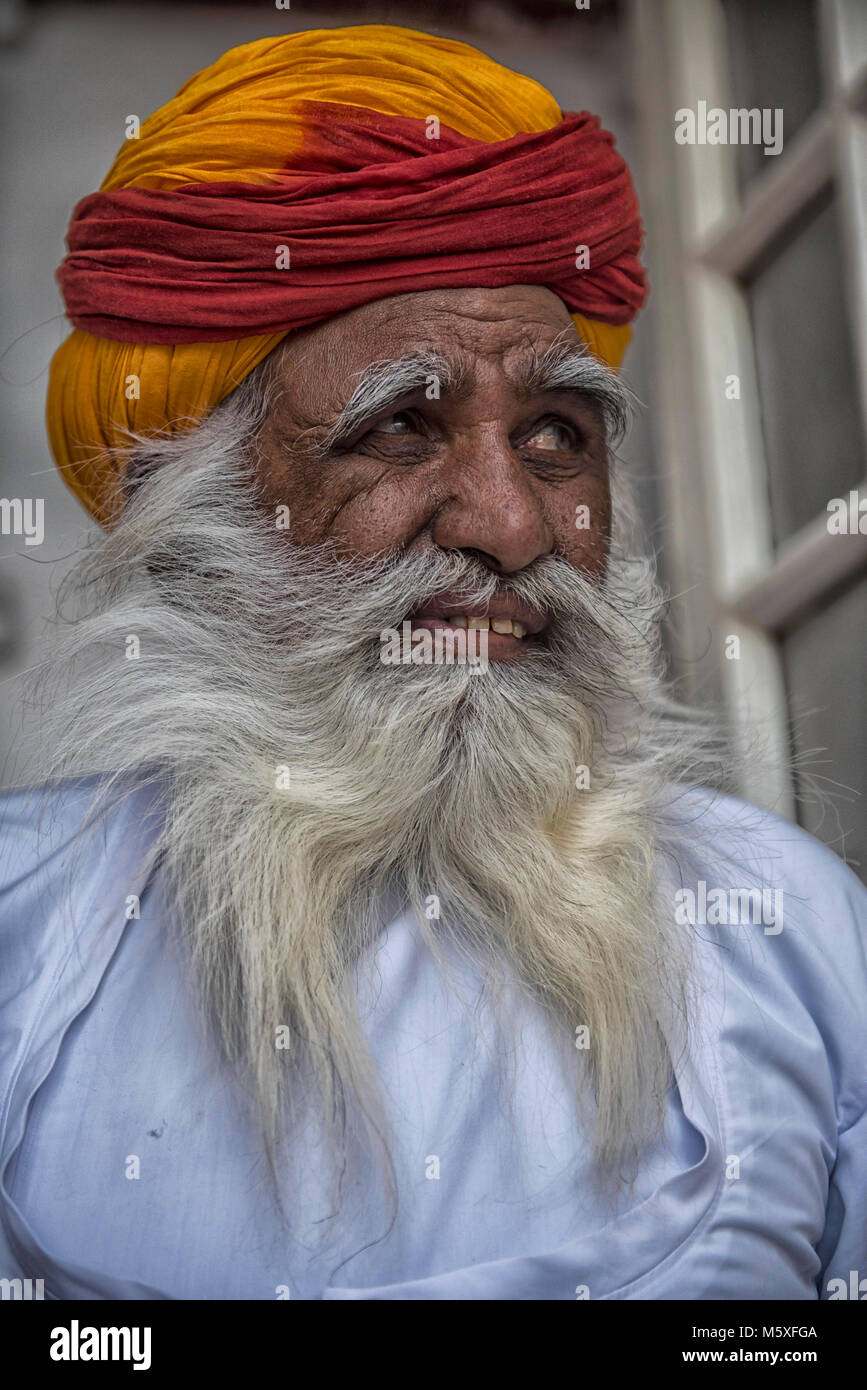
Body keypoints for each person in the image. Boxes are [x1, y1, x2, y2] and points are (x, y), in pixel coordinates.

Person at [1, 25, 864, 1301]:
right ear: (187, 523)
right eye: (399, 429)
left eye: (559, 434)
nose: (512, 528)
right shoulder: (21, 926)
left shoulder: (796, 933)